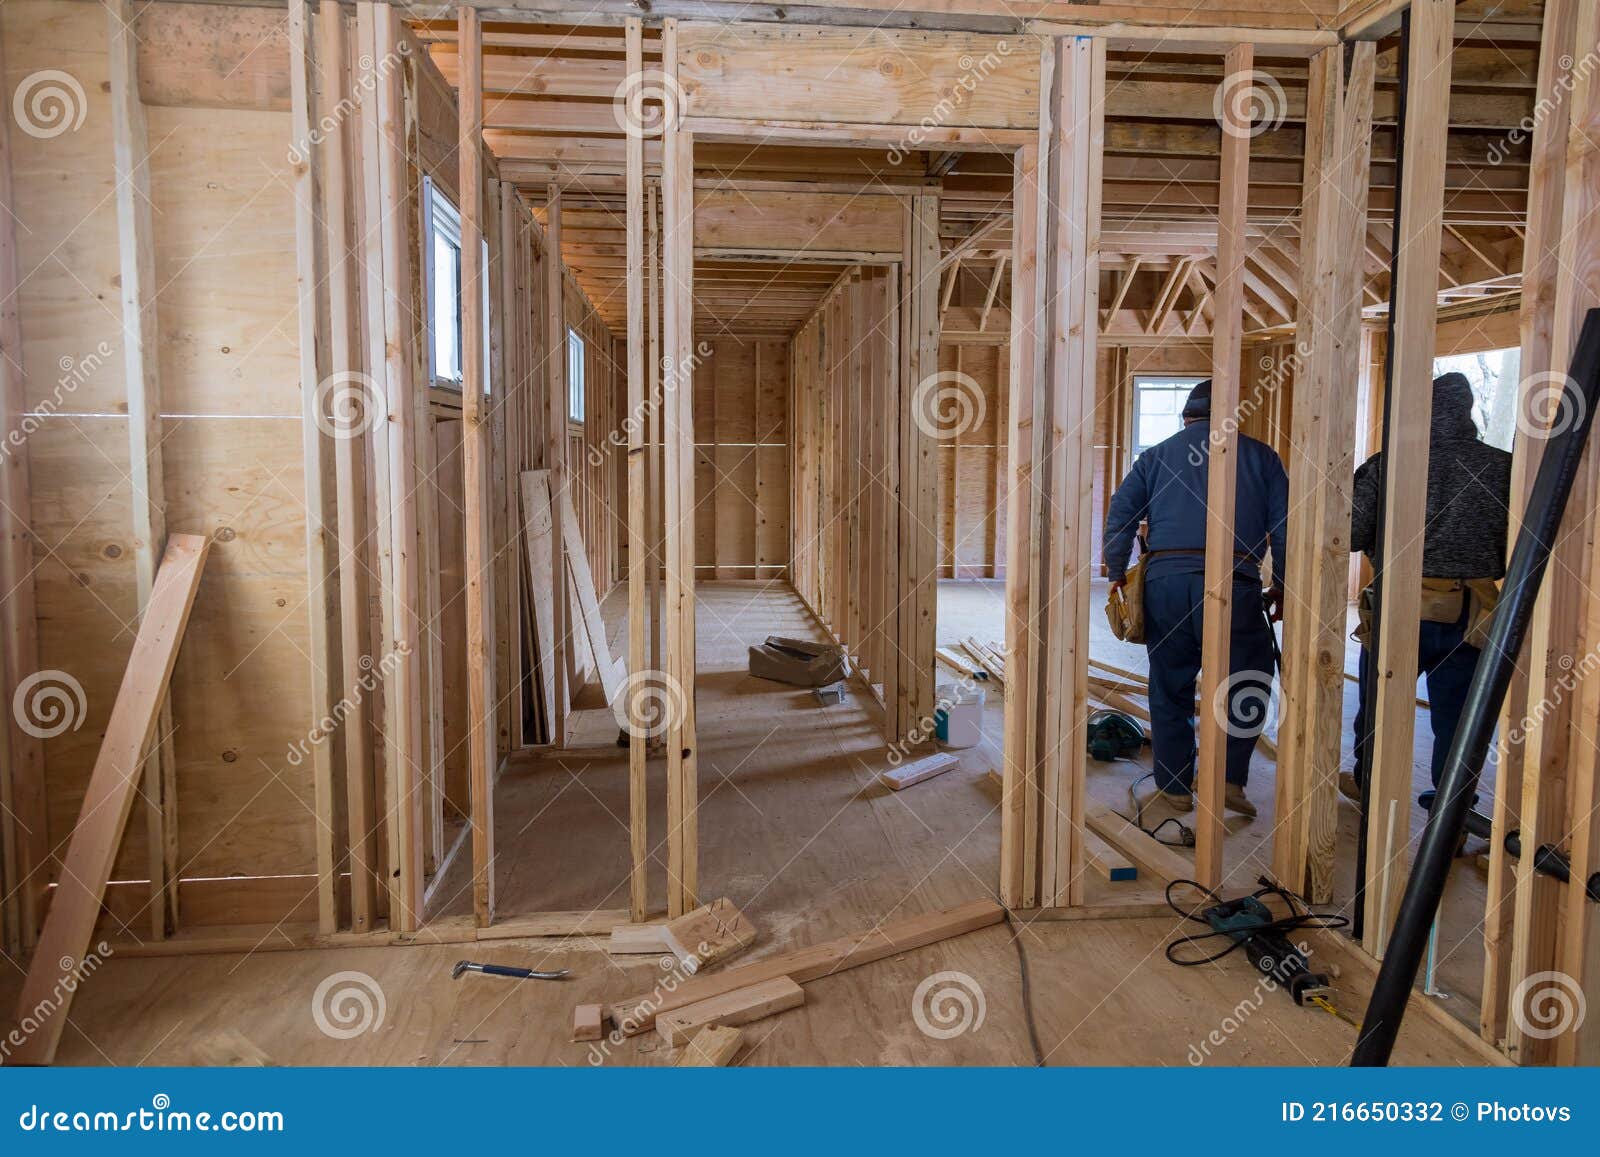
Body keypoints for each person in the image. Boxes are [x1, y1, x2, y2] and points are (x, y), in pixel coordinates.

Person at [1102, 379, 1288, 818]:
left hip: (1166, 583)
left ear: (1186, 417)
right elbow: (1285, 529)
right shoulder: (1262, 457)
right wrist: (1282, 584)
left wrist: (1116, 573)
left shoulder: (1155, 456)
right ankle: (1228, 780)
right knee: (1247, 680)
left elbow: (1120, 516)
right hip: (1235, 584)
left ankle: (1174, 786)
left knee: (1170, 683)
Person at [1345, 371, 1512, 804]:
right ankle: (1452, 814)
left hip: (1400, 608)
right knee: (1459, 720)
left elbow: (1351, 534)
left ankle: (1370, 791)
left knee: (1380, 708)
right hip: (1473, 614)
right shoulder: (1504, 468)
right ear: (1467, 411)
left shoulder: (1389, 464)